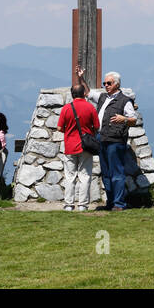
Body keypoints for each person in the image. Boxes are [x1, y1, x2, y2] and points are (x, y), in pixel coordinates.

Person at [89, 69, 139, 211]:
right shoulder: (103, 97)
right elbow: (87, 93)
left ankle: (119, 204)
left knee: (116, 173)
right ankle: (110, 202)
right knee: (106, 173)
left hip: (115, 141)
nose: (106, 85)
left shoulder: (125, 101)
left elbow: (133, 119)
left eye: (109, 83)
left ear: (117, 84)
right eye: (104, 83)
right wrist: (80, 78)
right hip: (101, 139)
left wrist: (124, 119)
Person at [57, 84, 100, 212]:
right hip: (86, 146)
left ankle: (69, 205)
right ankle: (82, 205)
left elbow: (59, 128)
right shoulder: (90, 107)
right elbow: (97, 126)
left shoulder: (66, 108)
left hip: (70, 146)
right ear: (83, 94)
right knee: (85, 176)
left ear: (72, 94)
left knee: (70, 176)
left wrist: (69, 131)